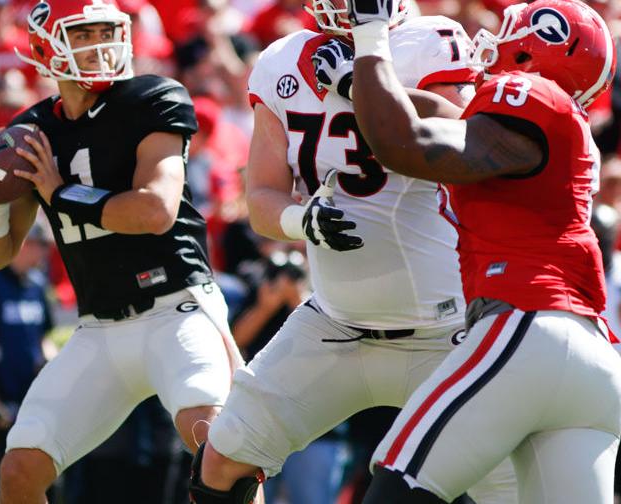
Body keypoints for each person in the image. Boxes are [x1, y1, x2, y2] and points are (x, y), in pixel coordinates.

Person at [188, 1, 518, 502]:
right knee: (220, 463)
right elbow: (261, 197)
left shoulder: (431, 39)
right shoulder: (284, 59)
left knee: (514, 491)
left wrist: (367, 85)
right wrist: (302, 220)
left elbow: (470, 142)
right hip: (334, 324)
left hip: (443, 331)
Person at [341, 0, 621, 502]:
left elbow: (403, 141)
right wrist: (355, 84)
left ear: (540, 47)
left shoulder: (529, 95)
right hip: (593, 365)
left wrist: (370, 36)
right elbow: (442, 117)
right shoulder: (556, 127)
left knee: (395, 488)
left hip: (528, 326)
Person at [0, 0, 241, 502]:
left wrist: (61, 194)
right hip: (98, 326)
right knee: (20, 469)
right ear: (44, 47)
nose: (100, 46)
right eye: (84, 34)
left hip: (176, 310)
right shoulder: (34, 131)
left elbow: (154, 210)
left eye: (106, 32)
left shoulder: (151, 97)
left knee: (219, 450)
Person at [0, 224, 54, 503]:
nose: (43, 252)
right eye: (40, 245)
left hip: (32, 405)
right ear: (24, 244)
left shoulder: (38, 286)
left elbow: (43, 342)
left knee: (39, 481)